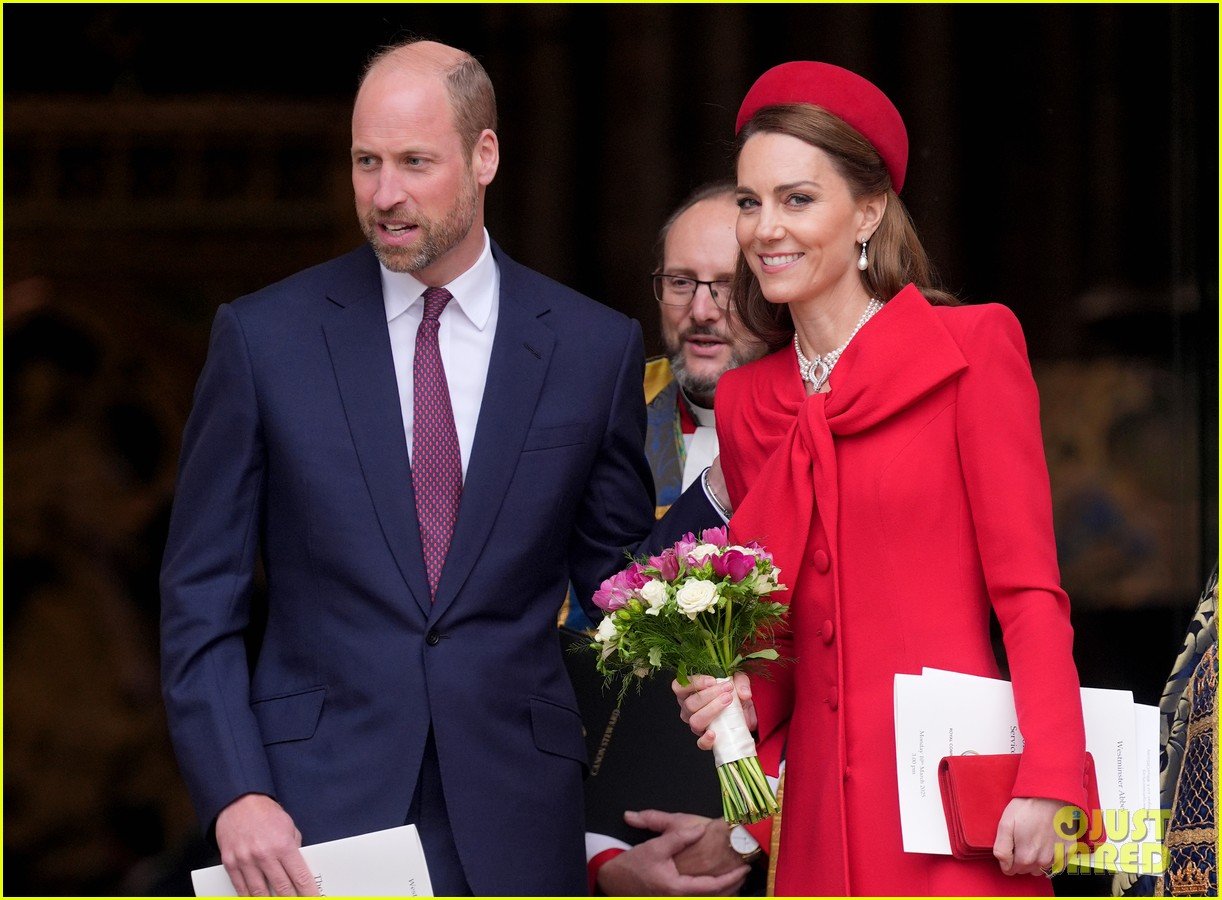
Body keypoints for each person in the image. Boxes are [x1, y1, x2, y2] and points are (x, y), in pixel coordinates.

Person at [159, 39, 719, 897]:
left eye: (415, 163)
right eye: (366, 162)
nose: (385, 195)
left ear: (485, 154)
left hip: (522, 821)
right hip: (305, 819)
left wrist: (639, 817)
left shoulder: (588, 347)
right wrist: (236, 791)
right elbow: (200, 597)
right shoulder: (264, 340)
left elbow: (623, 606)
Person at [674, 61, 1090, 896]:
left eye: (797, 199)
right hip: (817, 826)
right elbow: (784, 629)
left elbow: (1028, 594)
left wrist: (1051, 776)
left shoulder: (972, 350)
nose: (765, 228)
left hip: (951, 817)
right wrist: (744, 697)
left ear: (868, 210)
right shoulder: (752, 401)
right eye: (750, 202)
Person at [571, 184, 769, 895]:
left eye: (730, 286)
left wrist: (752, 830)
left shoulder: (832, 425)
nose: (703, 310)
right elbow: (549, 653)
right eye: (682, 283)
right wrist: (597, 860)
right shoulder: (597, 418)